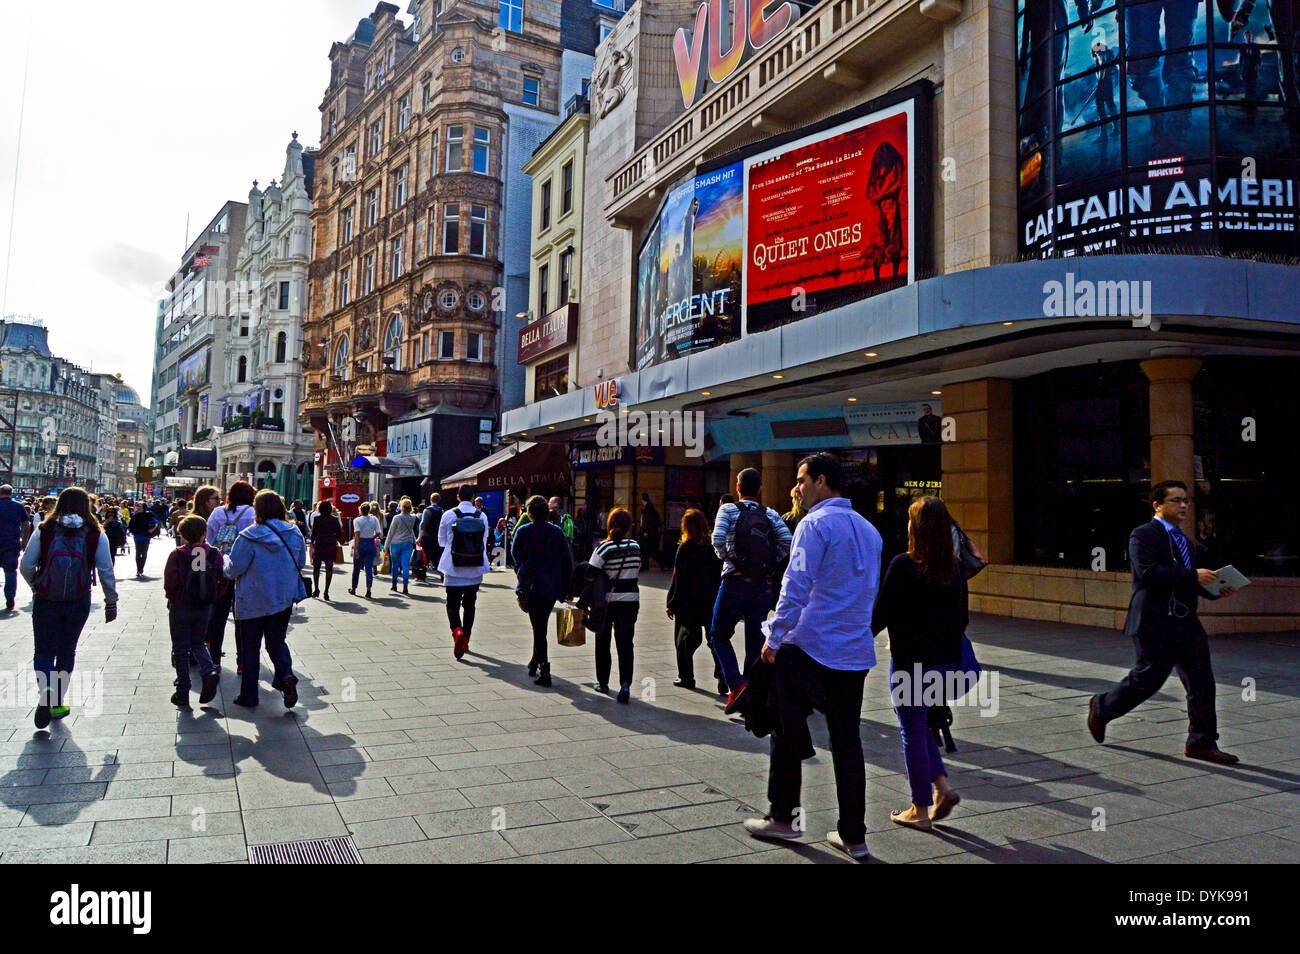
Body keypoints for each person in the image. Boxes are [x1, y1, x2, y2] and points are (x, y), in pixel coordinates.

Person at [744, 453, 882, 861]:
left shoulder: (814, 524)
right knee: (847, 742)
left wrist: (775, 637)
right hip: (853, 652)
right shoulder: (870, 531)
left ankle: (783, 816)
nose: (796, 487)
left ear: (822, 481)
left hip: (808, 647)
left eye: (801, 479)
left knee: (785, 727)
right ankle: (854, 836)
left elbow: (796, 584)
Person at [1088, 480, 1240, 764]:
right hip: (1154, 621)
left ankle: (1201, 742)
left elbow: (1188, 582)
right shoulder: (1143, 535)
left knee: (1202, 682)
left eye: (1186, 500)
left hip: (1186, 622)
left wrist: (1216, 589)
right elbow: (1148, 573)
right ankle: (1102, 707)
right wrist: (1193, 575)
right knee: (1148, 678)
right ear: (1157, 505)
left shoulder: (1184, 541)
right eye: (1176, 501)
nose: (1183, 506)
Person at [871, 496, 966, 831]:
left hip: (910, 663)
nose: (907, 524)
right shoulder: (954, 569)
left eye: (911, 520)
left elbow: (879, 615)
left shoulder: (902, 565)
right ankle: (942, 789)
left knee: (911, 730)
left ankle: (919, 809)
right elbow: (962, 620)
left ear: (918, 528)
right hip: (944, 663)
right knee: (920, 724)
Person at [20, 487, 118, 729]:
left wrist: (37, 585)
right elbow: (105, 570)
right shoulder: (96, 533)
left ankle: (46, 690)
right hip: (78, 598)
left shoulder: (44, 530)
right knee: (67, 650)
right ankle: (57, 703)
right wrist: (110, 600)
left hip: (46, 599)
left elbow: (26, 565)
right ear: (87, 505)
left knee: (43, 650)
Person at [709, 467, 793, 714]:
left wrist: (730, 559)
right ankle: (751, 693)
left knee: (718, 633)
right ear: (760, 489)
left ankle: (737, 684)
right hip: (762, 585)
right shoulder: (771, 514)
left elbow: (717, 538)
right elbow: (787, 542)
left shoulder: (728, 509)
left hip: (734, 582)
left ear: (737, 488)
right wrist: (768, 564)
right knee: (755, 641)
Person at [223, 490, 305, 709]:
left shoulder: (248, 536)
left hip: (252, 600)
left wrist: (223, 562)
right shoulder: (294, 532)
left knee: (250, 648)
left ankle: (249, 696)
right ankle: (286, 675)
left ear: (257, 510)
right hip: (283, 598)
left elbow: (234, 569)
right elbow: (301, 561)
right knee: (276, 642)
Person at [512, 494, 574, 688]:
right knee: (540, 624)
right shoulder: (556, 532)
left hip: (530, 586)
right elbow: (567, 560)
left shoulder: (523, 531)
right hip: (551, 586)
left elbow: (516, 555)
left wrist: (521, 571)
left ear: (529, 513)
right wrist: (567, 587)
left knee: (539, 627)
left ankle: (544, 670)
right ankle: (533, 662)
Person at [163, 515, 223, 709]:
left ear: (182, 534)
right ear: (204, 533)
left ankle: (183, 689)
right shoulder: (214, 553)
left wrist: (173, 598)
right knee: (198, 642)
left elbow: (170, 581)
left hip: (181, 605)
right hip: (204, 606)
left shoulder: (177, 554)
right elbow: (222, 578)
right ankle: (208, 671)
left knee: (180, 647)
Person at [666, 508, 723, 691]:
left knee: (682, 640)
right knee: (713, 639)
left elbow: (678, 579)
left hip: (688, 603)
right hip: (709, 600)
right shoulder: (712, 548)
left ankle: (686, 677)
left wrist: (671, 603)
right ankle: (722, 673)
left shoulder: (685, 548)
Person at [589, 508, 641, 702]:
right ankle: (625, 684)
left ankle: (603, 683)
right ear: (628, 526)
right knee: (626, 643)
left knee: (603, 641)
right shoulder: (635, 546)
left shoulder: (604, 547)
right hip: (631, 601)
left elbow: (591, 572)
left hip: (608, 602)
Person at [205, 481, 257, 672]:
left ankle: (215, 660)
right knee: (242, 618)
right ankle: (241, 661)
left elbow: (209, 540)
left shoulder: (218, 513)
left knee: (217, 617)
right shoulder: (253, 513)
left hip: (218, 568)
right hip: (245, 570)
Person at [438, 484, 489, 659]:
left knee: (452, 604)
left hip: (453, 565)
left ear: (458, 497)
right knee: (470, 604)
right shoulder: (481, 516)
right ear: (473, 497)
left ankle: (457, 631)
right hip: (475, 566)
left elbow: (441, 542)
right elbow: (484, 539)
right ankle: (466, 638)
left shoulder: (448, 515)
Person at [0, 483, 34, 612]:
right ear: (11, 493)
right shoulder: (18, 506)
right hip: (11, 543)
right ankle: (10, 596)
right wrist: (24, 542)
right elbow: (26, 525)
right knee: (10, 571)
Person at [309, 500, 343, 600]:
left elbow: (314, 533)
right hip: (330, 545)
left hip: (319, 544)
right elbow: (339, 534)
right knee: (329, 568)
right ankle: (326, 591)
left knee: (316, 568)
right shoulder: (334, 519)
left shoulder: (317, 519)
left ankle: (316, 589)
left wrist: (313, 542)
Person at [385, 498, 420, 594]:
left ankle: (394, 585)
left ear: (401, 507)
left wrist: (386, 545)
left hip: (395, 543)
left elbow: (391, 532)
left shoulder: (397, 518)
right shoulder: (413, 518)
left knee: (395, 565)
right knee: (405, 565)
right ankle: (405, 586)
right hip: (407, 543)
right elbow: (410, 529)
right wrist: (414, 539)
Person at [349, 501, 383, 597]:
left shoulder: (357, 520)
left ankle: (354, 588)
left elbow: (357, 534)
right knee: (369, 568)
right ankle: (368, 590)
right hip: (370, 544)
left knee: (356, 568)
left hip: (360, 544)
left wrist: (355, 548)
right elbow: (378, 532)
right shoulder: (374, 519)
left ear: (360, 510)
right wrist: (372, 537)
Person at [128, 502, 160, 577]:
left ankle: (141, 568)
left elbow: (156, 522)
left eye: (139, 506)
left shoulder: (149, 514)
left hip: (146, 535)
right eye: (137, 506)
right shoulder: (134, 515)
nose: (138, 507)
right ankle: (138, 569)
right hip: (137, 535)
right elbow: (130, 525)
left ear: (143, 507)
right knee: (138, 552)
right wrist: (128, 531)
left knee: (144, 552)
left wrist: (153, 529)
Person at [419, 493, 444, 583]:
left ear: (430, 499)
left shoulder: (427, 510)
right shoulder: (441, 511)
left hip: (427, 537)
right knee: (437, 557)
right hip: (437, 537)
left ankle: (422, 575)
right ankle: (442, 574)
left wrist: (419, 537)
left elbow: (423, 524)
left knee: (425, 557)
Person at [638, 493, 662, 570]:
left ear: (643, 500)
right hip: (649, 533)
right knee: (648, 550)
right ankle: (645, 565)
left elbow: (647, 521)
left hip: (647, 533)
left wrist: (646, 531)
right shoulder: (650, 508)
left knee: (648, 550)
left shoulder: (648, 509)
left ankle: (646, 565)